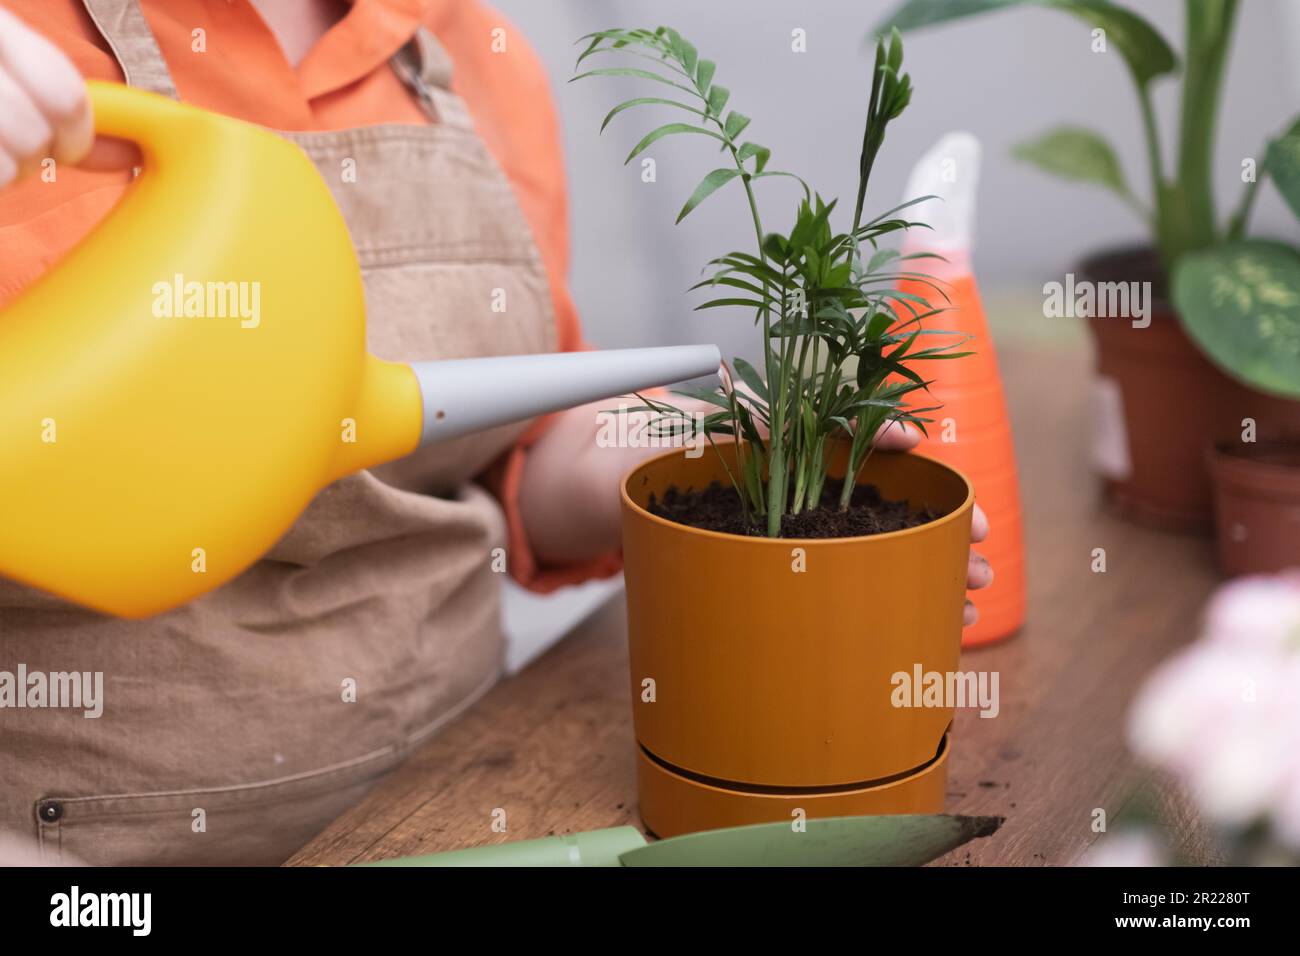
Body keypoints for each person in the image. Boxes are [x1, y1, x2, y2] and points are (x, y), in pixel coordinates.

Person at [0, 0, 992, 865]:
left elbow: (520, 444)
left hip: (472, 794)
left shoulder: (470, 54)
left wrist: (710, 462)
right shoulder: (21, 56)